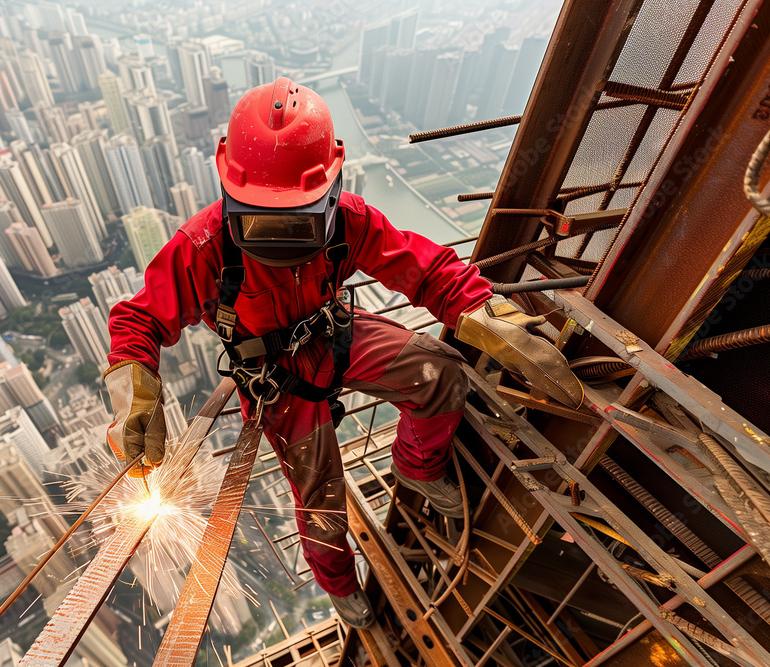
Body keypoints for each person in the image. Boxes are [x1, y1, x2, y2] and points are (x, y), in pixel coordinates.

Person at [104, 78, 583, 628]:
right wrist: (134, 387)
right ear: (230, 194)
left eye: (299, 223)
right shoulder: (205, 246)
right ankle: (339, 584)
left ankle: (417, 466)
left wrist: (485, 313)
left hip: (335, 336)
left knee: (441, 374)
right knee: (322, 505)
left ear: (331, 191)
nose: (280, 243)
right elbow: (140, 317)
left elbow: (423, 268)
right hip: (273, 378)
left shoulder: (350, 221)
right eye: (260, 222)